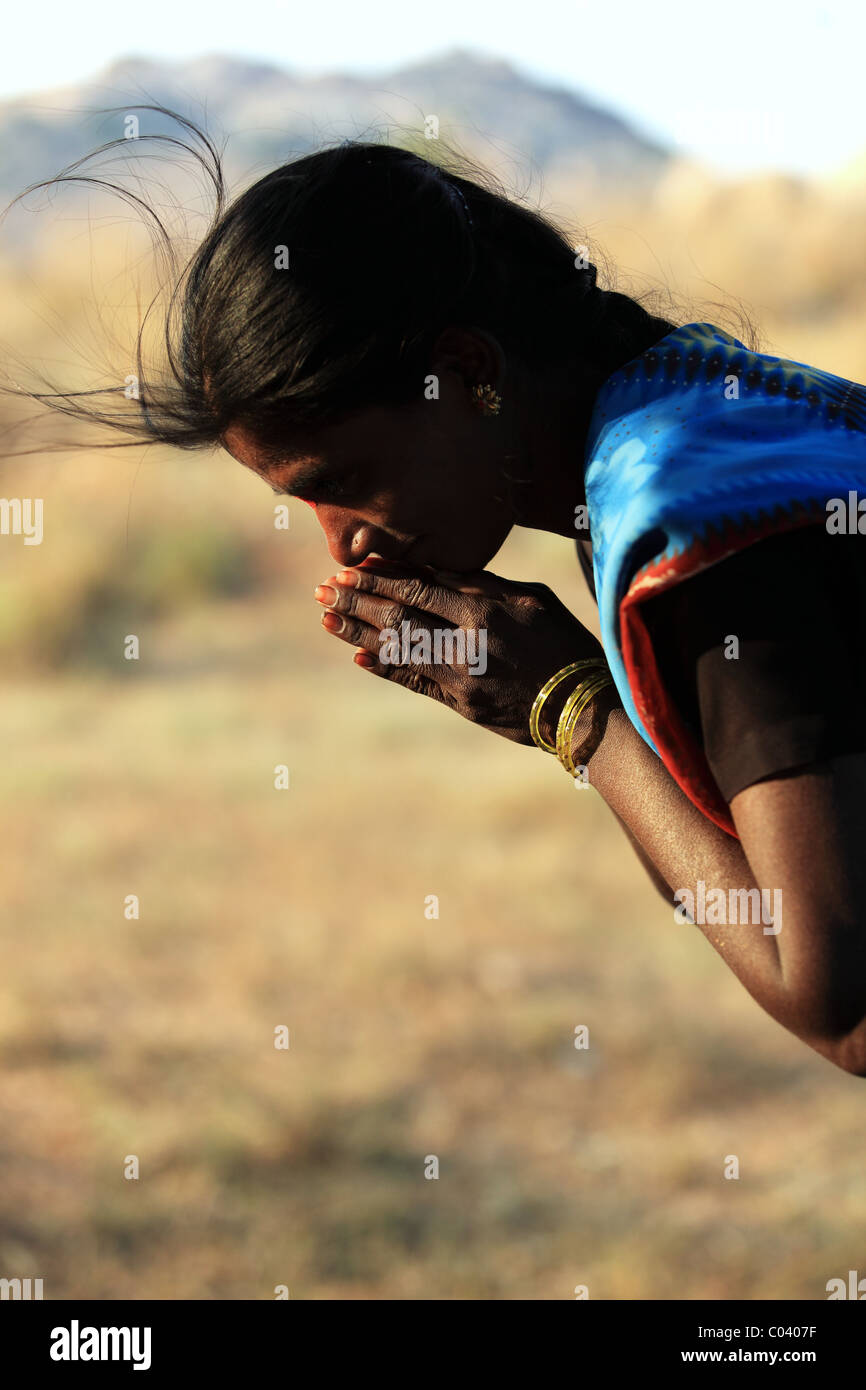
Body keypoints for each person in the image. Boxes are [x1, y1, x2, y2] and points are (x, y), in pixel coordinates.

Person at [8, 112, 866, 1075]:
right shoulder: (708, 419)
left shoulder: (699, 523)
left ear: (465, 372)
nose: (347, 546)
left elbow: (837, 1000)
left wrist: (578, 713)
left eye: (341, 480)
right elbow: (725, 868)